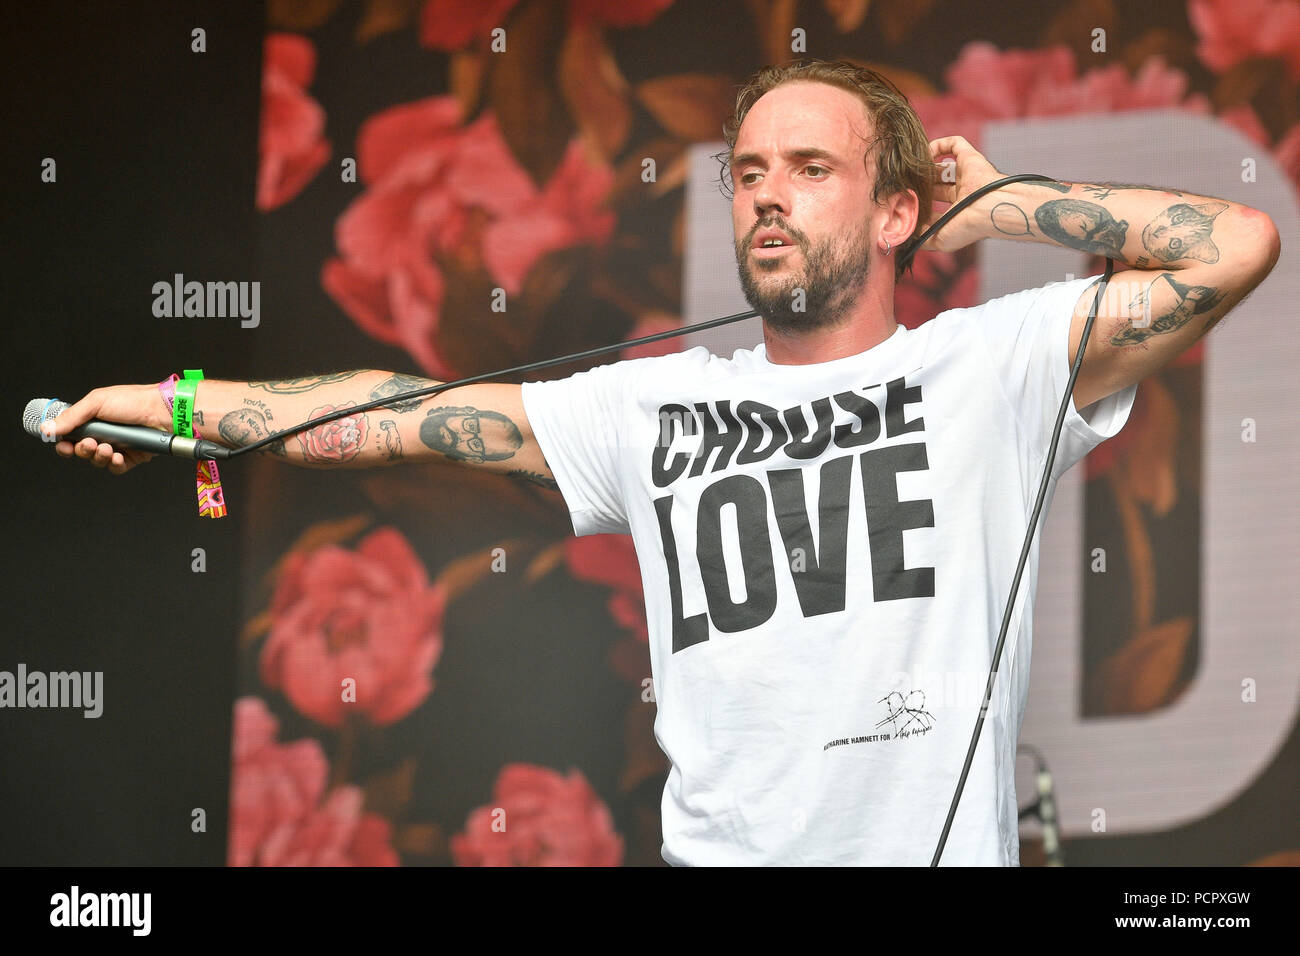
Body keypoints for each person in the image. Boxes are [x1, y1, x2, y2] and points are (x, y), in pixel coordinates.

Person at [44, 60, 1280, 865]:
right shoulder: (653, 407)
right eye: (747, 172)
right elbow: (405, 412)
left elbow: (1234, 244)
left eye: (810, 169)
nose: (767, 198)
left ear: (898, 210)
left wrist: (1000, 201)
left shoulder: (993, 365)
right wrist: (179, 404)